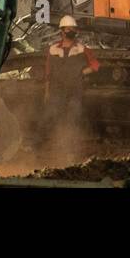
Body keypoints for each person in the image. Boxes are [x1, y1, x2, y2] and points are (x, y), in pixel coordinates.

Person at [42, 15, 99, 156]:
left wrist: (82, 72)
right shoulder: (53, 49)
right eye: (69, 29)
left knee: (73, 117)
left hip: (75, 90)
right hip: (57, 91)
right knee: (56, 116)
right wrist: (47, 92)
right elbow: (48, 72)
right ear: (62, 31)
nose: (72, 31)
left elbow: (95, 65)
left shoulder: (81, 49)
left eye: (73, 29)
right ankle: (56, 146)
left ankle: (72, 147)